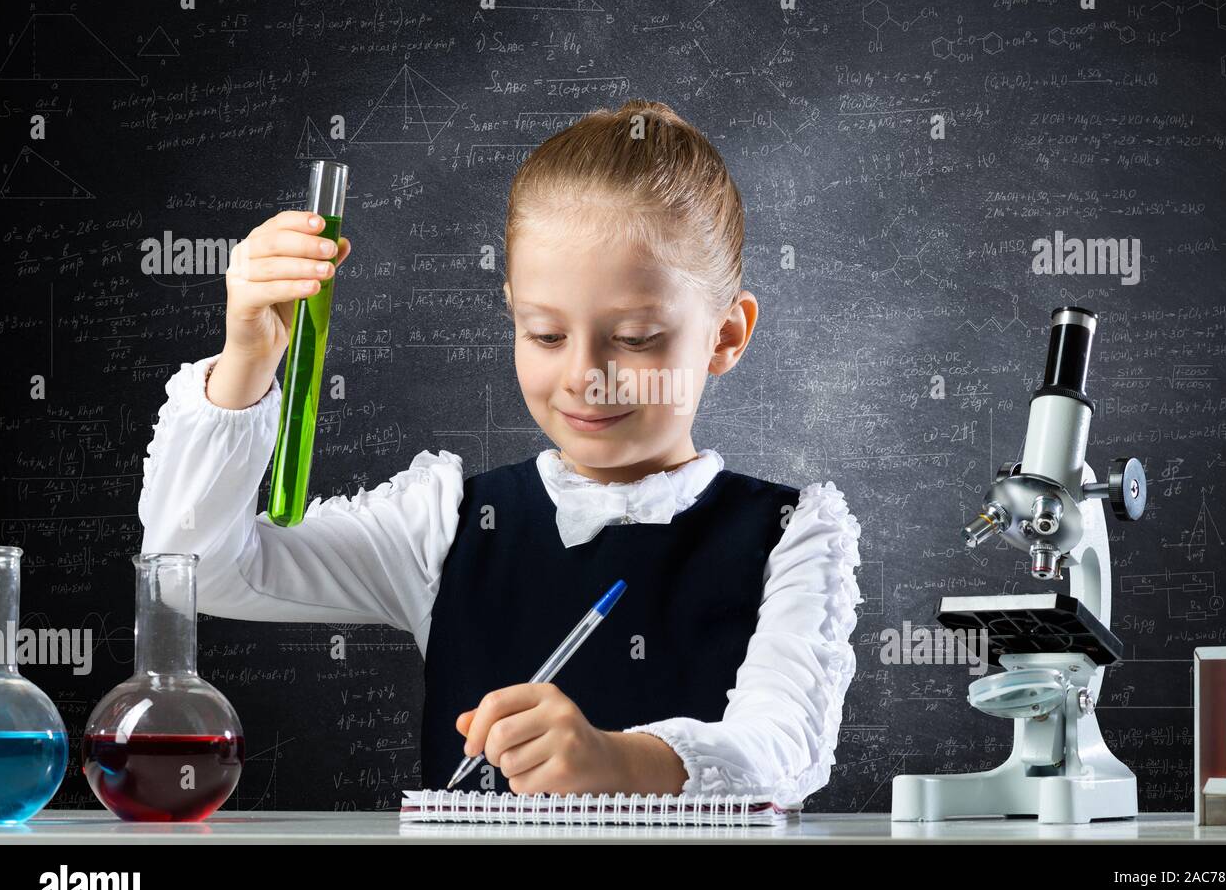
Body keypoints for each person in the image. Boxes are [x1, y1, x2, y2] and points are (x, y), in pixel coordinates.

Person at [139, 99, 861, 807]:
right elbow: (197, 573)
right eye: (546, 335)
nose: (585, 374)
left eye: (636, 338)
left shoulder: (791, 535)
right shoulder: (443, 525)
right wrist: (246, 361)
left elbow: (782, 747)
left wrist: (614, 758)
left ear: (726, 336)